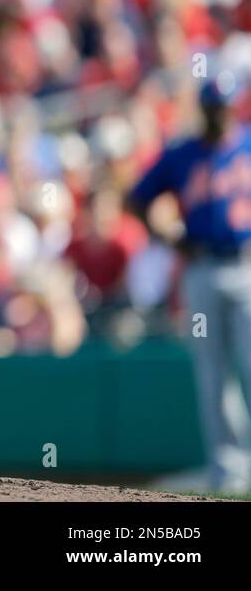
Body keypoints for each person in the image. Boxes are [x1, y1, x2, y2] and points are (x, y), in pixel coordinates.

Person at [126, 74, 251, 493]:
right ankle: (229, 470)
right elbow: (136, 197)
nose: (219, 116)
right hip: (202, 267)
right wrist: (167, 238)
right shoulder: (182, 154)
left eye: (223, 107)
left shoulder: (247, 143)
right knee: (213, 373)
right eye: (213, 109)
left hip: (246, 264)